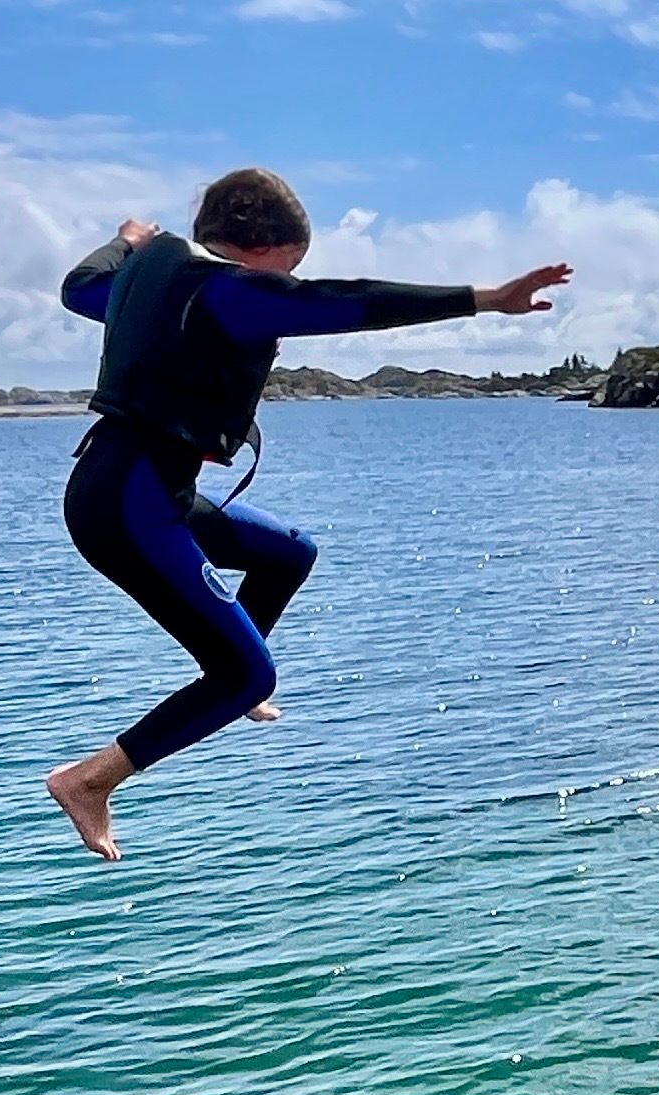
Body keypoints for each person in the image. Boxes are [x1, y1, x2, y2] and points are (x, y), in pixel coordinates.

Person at [45, 167, 572, 861]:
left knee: (289, 551)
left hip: (137, 488)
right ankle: (90, 780)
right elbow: (348, 302)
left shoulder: (153, 277)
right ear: (263, 246)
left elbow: (78, 287)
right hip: (128, 506)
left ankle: (232, 679)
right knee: (247, 675)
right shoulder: (230, 290)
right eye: (289, 268)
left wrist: (125, 241)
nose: (288, 286)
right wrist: (485, 299)